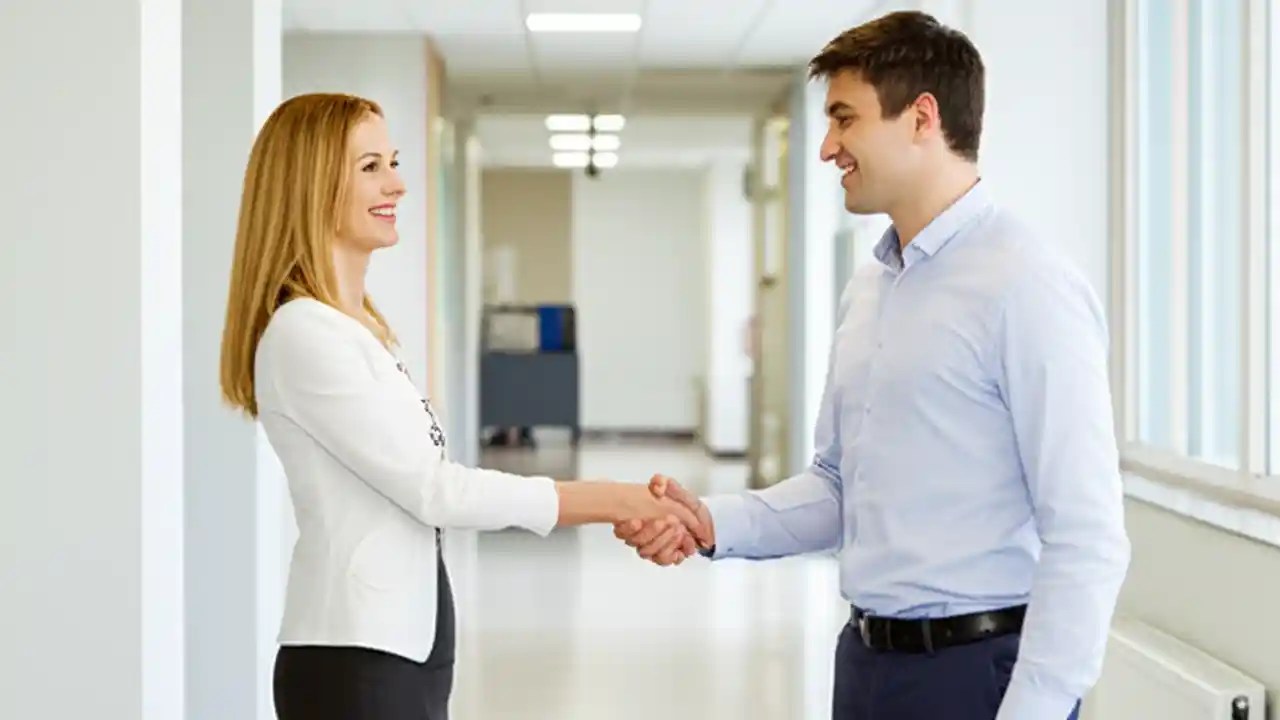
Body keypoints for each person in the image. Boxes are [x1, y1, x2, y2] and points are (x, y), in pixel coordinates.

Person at [615, 11, 1130, 720]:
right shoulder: (871, 286)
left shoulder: (1026, 285)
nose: (828, 148)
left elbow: (1087, 531)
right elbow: (837, 487)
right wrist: (711, 520)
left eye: (844, 119)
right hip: (865, 666)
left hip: (977, 677)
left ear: (922, 117)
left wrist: (1035, 708)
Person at [218, 92, 699, 720]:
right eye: (370, 167)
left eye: (391, 162)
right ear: (310, 184)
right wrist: (616, 499)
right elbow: (435, 490)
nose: (397, 183)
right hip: (356, 659)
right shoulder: (306, 333)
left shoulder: (358, 328)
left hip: (402, 641)